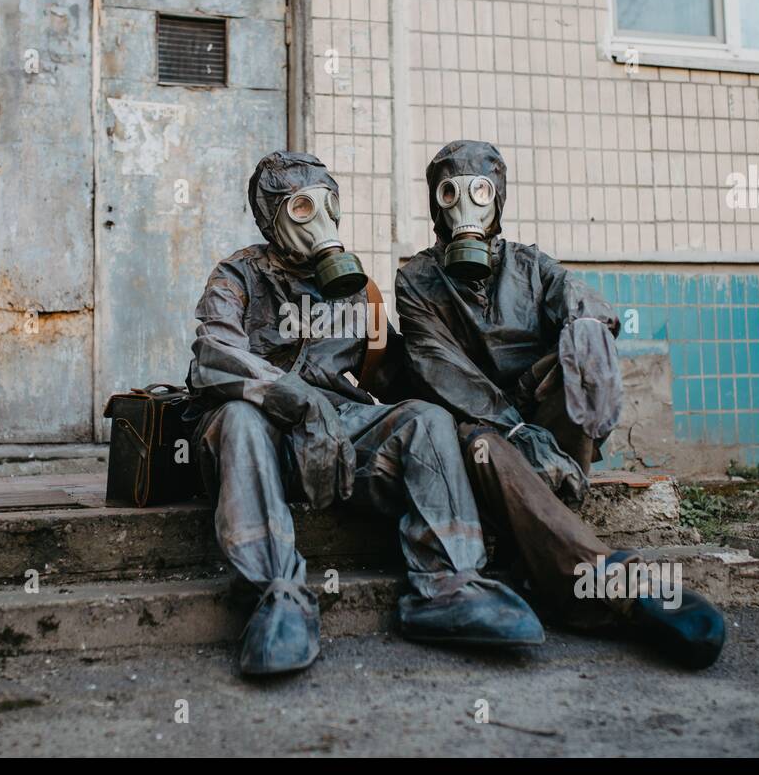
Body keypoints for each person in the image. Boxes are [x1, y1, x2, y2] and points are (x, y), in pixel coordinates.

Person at [187, 150, 545, 677]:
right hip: (260, 435)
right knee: (240, 419)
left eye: (329, 205)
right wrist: (295, 397)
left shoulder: (357, 295)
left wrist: (501, 412)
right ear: (271, 217)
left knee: (424, 419)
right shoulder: (237, 275)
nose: (322, 222)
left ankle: (447, 586)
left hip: (338, 437)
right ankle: (276, 595)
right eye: (302, 209)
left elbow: (402, 371)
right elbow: (213, 355)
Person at [395, 140, 726, 669]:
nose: (465, 207)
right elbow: (440, 368)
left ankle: (555, 503)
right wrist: (515, 430)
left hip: (544, 421)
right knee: (479, 444)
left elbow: (582, 299)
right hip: (483, 430)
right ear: (436, 203)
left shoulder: (532, 266)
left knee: (582, 342)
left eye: (480, 192)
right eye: (450, 192)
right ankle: (611, 583)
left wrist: (591, 327)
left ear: (498, 198)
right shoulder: (415, 280)